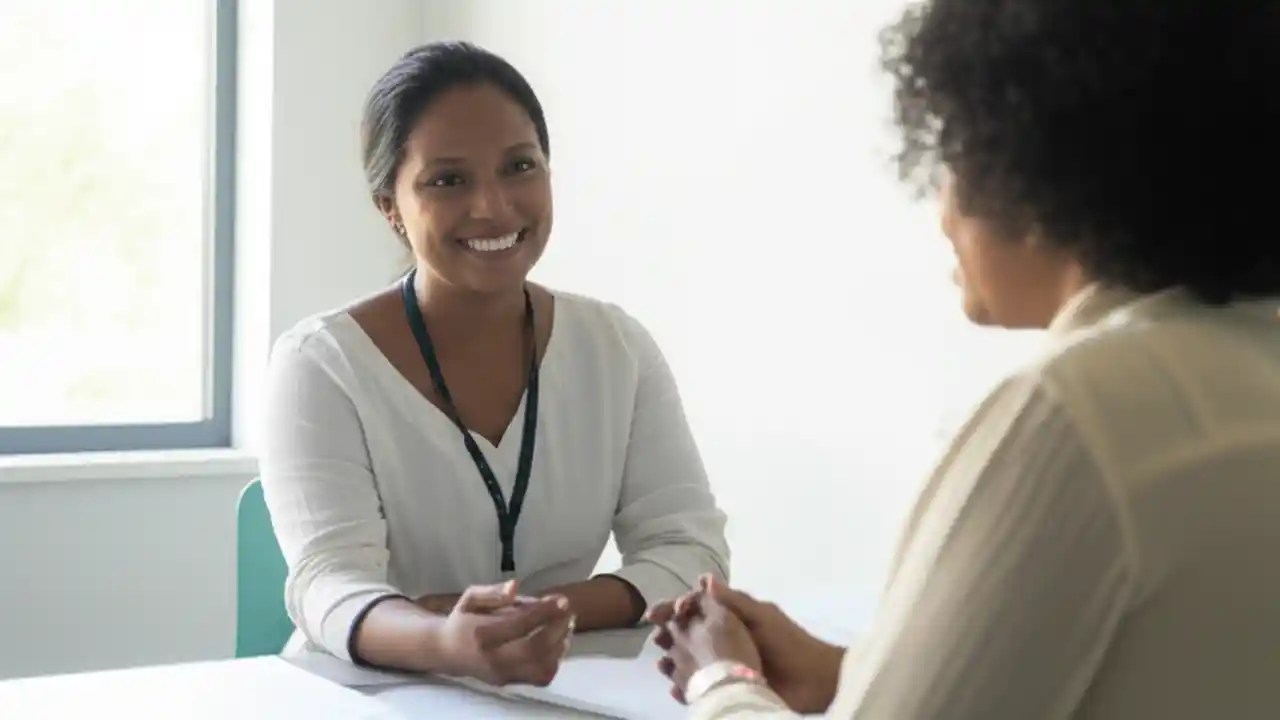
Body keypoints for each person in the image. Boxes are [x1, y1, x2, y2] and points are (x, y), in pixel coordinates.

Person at [651, 1, 1280, 717]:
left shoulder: (1079, 410)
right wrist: (857, 673)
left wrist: (722, 680)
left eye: (954, 155)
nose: (944, 210)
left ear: (1035, 167)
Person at [259, 41, 728, 686]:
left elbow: (690, 550)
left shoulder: (616, 348)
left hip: (561, 689)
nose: (493, 206)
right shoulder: (320, 365)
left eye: (519, 166)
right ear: (390, 206)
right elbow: (327, 582)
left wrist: (533, 619)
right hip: (370, 694)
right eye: (447, 180)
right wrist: (442, 643)